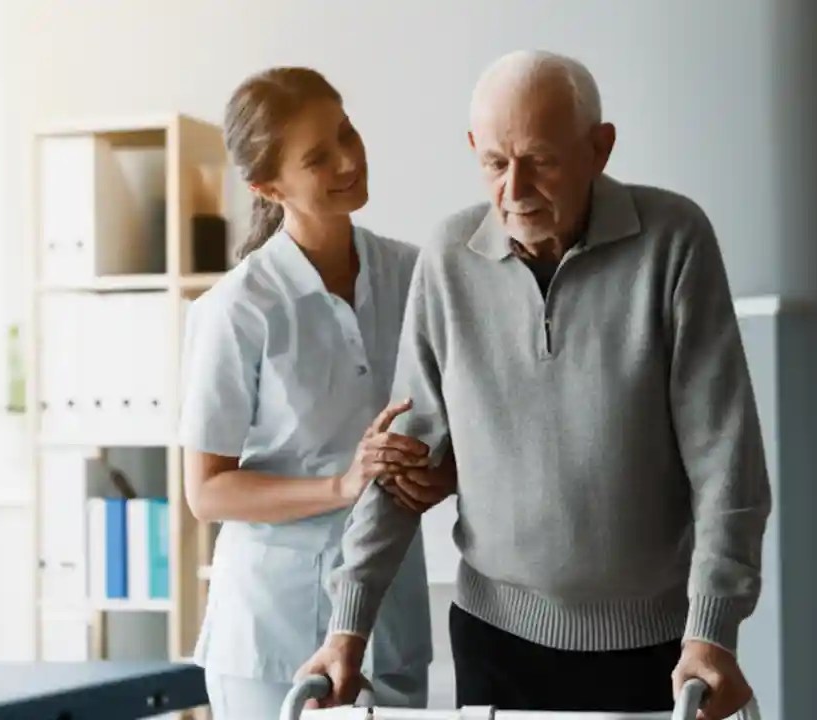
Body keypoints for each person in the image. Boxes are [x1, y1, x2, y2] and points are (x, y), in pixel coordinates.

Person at [297, 49, 772, 718]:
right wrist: (346, 632)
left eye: (541, 161)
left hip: (658, 646)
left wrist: (713, 632)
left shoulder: (672, 240)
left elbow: (726, 460)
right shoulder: (449, 258)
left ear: (599, 148)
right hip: (494, 639)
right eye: (495, 163)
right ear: (473, 149)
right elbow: (404, 463)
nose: (515, 191)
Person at [177, 66, 457, 720]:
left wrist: (441, 477)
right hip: (271, 641)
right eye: (318, 157)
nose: (349, 160)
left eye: (347, 134)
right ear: (267, 187)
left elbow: (459, 423)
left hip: (391, 625)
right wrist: (342, 484)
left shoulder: (415, 275)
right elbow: (207, 492)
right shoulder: (237, 308)